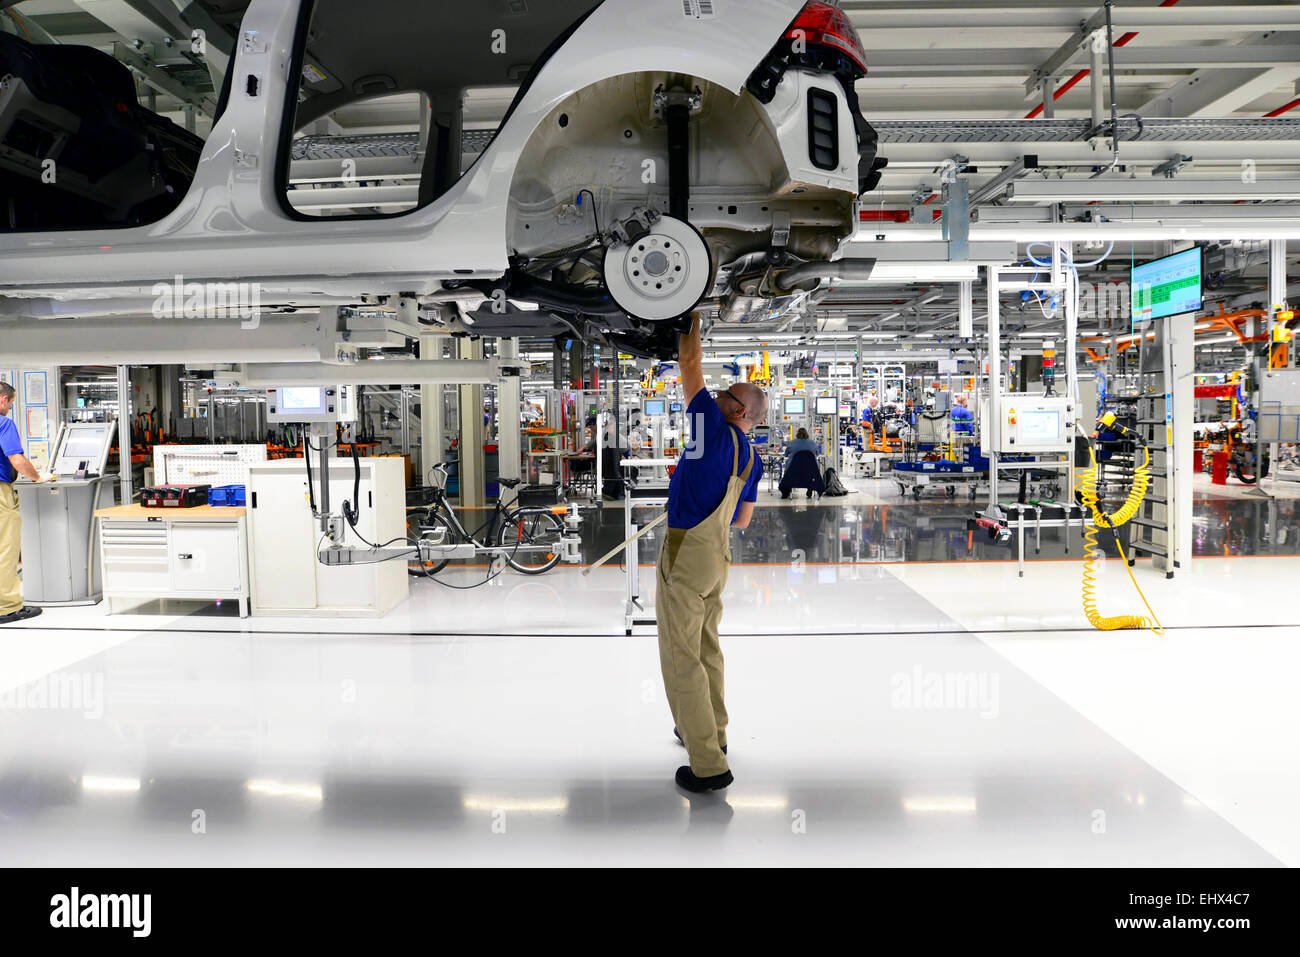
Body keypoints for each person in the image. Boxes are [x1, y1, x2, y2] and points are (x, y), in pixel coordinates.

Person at [658, 316, 766, 793]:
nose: (717, 396)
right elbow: (741, 520)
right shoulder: (750, 454)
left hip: (686, 554)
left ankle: (708, 764)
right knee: (706, 648)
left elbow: (689, 363)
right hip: (717, 558)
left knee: (681, 656)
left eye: (728, 395)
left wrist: (689, 312)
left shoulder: (710, 426)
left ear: (740, 411)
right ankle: (712, 734)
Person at [0, 381, 49, 624]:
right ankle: (7, 608)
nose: (9, 408)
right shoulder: (4, 423)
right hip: (0, 493)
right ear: (3, 399)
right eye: (10, 402)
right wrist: (38, 476)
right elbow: (17, 460)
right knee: (5, 551)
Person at [778, 427, 825, 499]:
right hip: (810, 469)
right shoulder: (813, 443)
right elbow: (817, 454)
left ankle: (787, 490)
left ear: (797, 434)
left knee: (787, 474)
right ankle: (810, 488)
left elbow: (786, 454)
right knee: (811, 473)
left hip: (793, 469)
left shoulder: (792, 442)